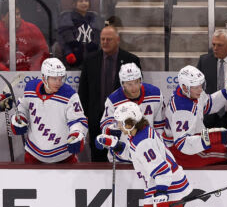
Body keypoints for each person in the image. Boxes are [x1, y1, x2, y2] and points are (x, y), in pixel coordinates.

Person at [79, 24, 141, 162]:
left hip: (124, 123)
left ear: (117, 40)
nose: (105, 42)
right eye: (102, 39)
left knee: (125, 158)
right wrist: (85, 119)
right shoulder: (90, 60)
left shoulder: (131, 60)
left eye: (109, 39)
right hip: (96, 122)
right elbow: (83, 93)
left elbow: (137, 91)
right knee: (98, 160)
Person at [9, 57, 87, 163]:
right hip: (33, 153)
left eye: (61, 78)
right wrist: (19, 118)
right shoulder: (30, 88)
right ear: (44, 78)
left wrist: (76, 133)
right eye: (54, 79)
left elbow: (78, 120)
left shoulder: (69, 95)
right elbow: (23, 107)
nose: (59, 82)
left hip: (63, 155)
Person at [165, 65, 227, 168]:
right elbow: (183, 144)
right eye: (196, 87)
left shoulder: (189, 92)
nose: (200, 90)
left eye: (201, 85)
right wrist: (215, 137)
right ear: (184, 87)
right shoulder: (182, 109)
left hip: (194, 141)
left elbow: (207, 105)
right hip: (181, 153)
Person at [97, 62, 167, 163]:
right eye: (129, 84)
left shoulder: (155, 94)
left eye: (137, 82)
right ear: (122, 84)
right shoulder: (113, 100)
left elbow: (160, 126)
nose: (134, 87)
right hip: (122, 157)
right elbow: (106, 126)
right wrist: (111, 131)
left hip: (149, 156)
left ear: (141, 80)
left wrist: (159, 148)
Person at [0, 6, 50, 71]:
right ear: (3, 18)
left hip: (31, 76)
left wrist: (32, 71)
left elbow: (43, 52)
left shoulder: (32, 30)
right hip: (5, 78)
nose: (16, 18)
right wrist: (8, 74)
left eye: (17, 14)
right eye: (12, 15)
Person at [58, 0, 102, 68]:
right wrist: (68, 53)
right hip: (73, 56)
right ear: (74, 4)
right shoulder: (67, 17)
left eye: (86, 1)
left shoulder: (94, 17)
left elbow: (97, 36)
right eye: (80, 1)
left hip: (92, 57)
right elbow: (64, 38)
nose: (84, 3)